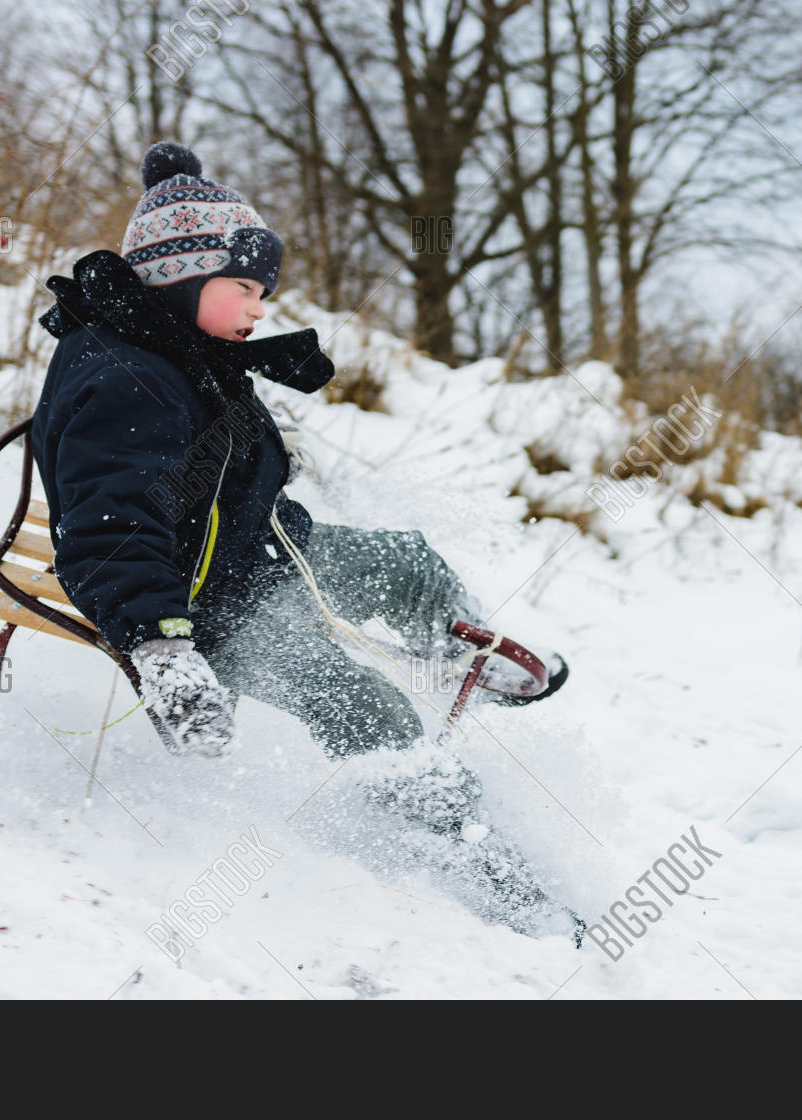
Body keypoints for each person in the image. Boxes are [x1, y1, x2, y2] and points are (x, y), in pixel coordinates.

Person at [31, 141, 577, 940]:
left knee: (406, 560)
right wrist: (164, 649)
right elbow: (109, 533)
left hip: (264, 555)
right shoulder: (129, 378)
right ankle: (485, 873)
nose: (260, 309)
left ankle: (460, 645)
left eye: (264, 292)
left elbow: (217, 490)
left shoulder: (178, 353)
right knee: (368, 707)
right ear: (179, 278)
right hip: (207, 611)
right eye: (245, 288)